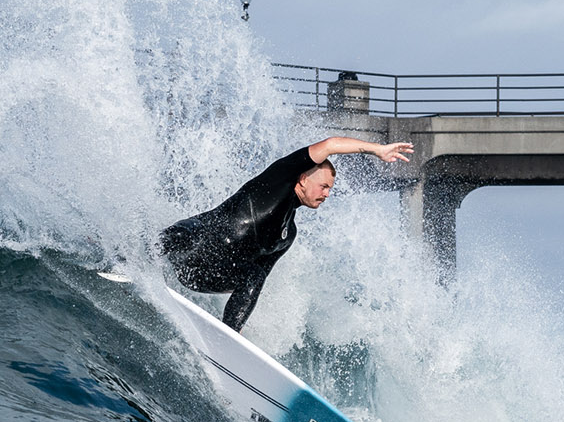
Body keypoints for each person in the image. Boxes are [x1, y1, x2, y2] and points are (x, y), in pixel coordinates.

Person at [159, 137, 414, 331]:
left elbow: (250, 287)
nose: (327, 194)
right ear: (303, 178)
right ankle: (133, 256)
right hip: (190, 246)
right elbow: (331, 144)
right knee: (192, 230)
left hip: (202, 275)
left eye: (330, 189)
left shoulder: (287, 235)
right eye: (324, 186)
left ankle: (228, 337)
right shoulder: (277, 181)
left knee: (256, 275)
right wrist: (377, 150)